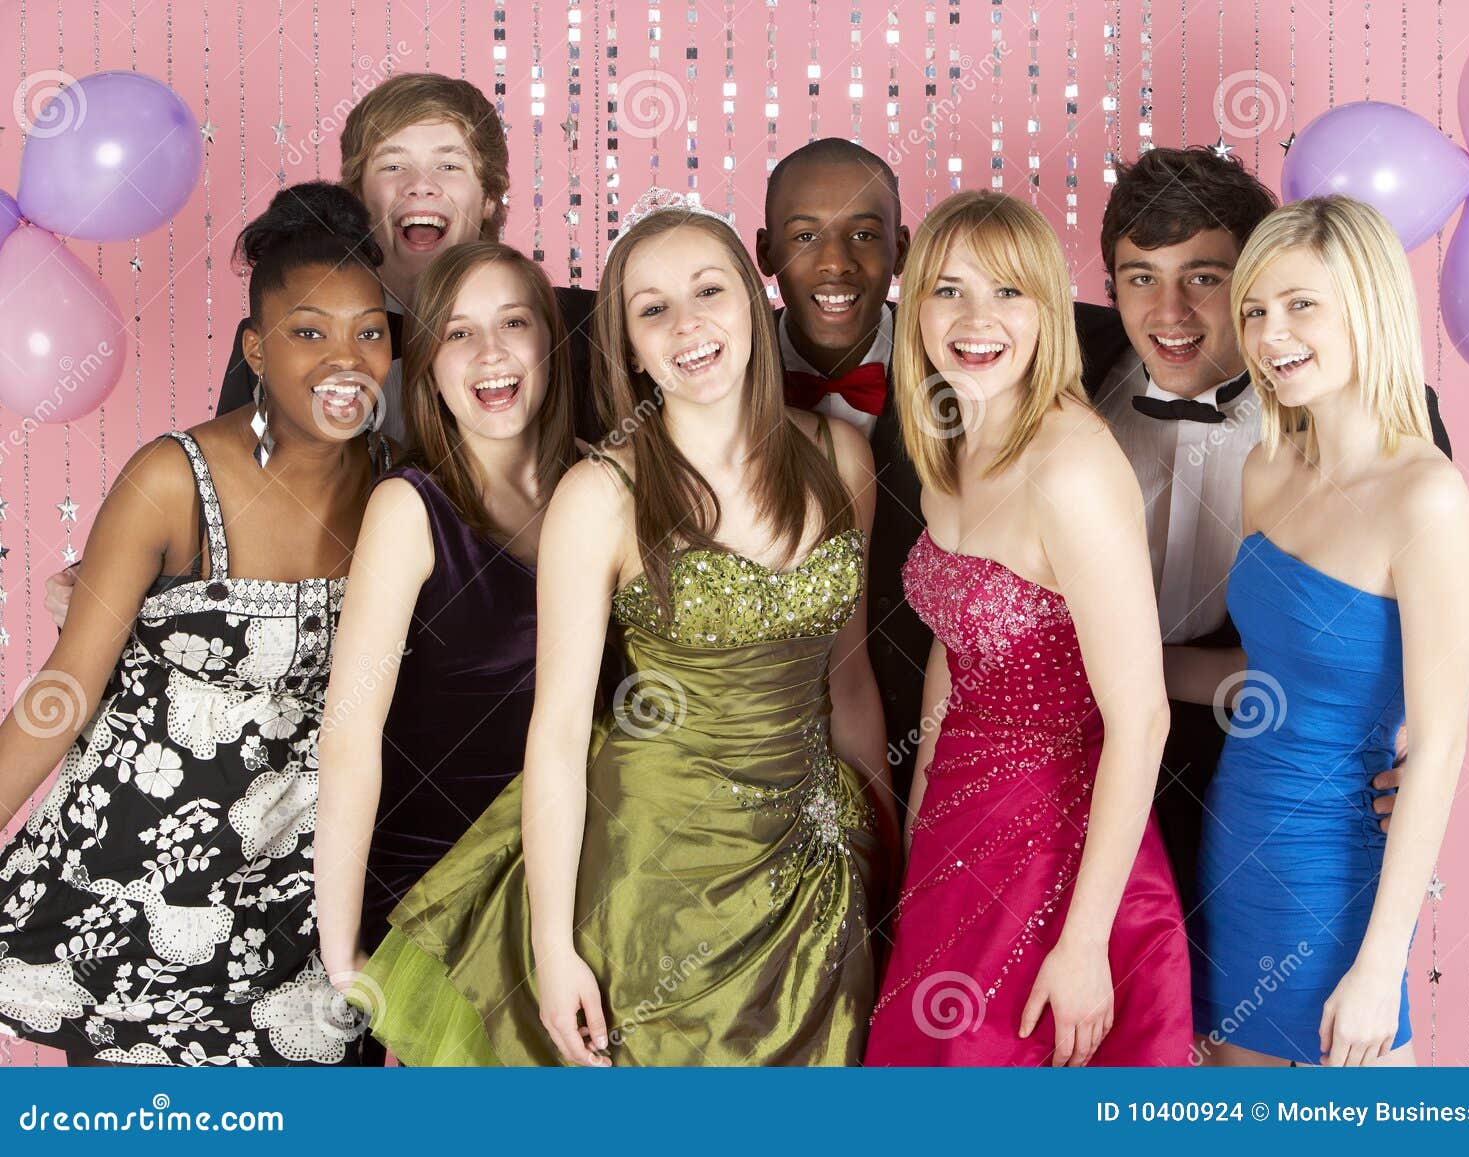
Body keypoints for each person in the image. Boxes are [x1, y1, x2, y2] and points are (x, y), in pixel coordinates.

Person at [352, 190, 896, 1066]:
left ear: (756, 306)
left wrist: (888, 849)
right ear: (632, 349)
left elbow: (852, 676)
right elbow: (561, 732)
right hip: (652, 868)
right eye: (653, 309)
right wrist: (555, 947)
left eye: (709, 291)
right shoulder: (600, 495)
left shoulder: (842, 458)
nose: (687, 324)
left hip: (816, 863)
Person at [0, 183, 393, 1066]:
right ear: (256, 348)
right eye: (308, 332)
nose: (346, 358)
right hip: (131, 895)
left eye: (369, 331)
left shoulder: (399, 491)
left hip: (299, 914)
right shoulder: (172, 480)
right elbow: (65, 690)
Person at [40, 72, 603, 627]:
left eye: (450, 165)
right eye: (393, 165)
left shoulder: (579, 328)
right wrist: (126, 569)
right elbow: (228, 515)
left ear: (488, 197)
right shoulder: (289, 345)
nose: (421, 185)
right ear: (360, 199)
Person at [1082, 146, 1469, 915]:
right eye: (1141, 278)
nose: (1169, 312)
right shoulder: (1061, 360)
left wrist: (1400, 739)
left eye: (1205, 277)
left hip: (1232, 771)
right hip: (1073, 753)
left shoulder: (1367, 420)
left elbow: (1450, 617)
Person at [864, 191, 1190, 1067]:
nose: (977, 320)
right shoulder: (949, 448)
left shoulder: (1072, 467)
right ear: (917, 309)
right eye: (949, 291)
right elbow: (952, 645)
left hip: (1062, 849)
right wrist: (925, 811)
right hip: (959, 825)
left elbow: (1143, 717)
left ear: (1047, 309)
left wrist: (1085, 942)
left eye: (1009, 293)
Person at [756, 139, 1130, 814]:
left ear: (900, 249)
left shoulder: (976, 364)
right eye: (805, 235)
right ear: (764, 253)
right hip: (755, 756)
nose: (836, 260)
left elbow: (1148, 321)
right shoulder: (711, 365)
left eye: (864, 234)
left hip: (943, 757)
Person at [1192, 195, 1469, 1066]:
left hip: (1336, 870)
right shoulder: (1266, 467)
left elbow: (1439, 744)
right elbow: (1263, 671)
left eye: (1300, 304)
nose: (1270, 333)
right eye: (1254, 309)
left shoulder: (1426, 498)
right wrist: (1108, 660)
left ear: (1369, 306)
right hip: (1235, 842)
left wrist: (1381, 959)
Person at [313, 241, 577, 992]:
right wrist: (342, 957)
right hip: (443, 891)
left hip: (582, 879)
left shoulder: (601, 485)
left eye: (513, 323)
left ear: (549, 342)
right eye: (458, 332)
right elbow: (349, 737)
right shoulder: (407, 508)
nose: (489, 352)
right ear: (426, 362)